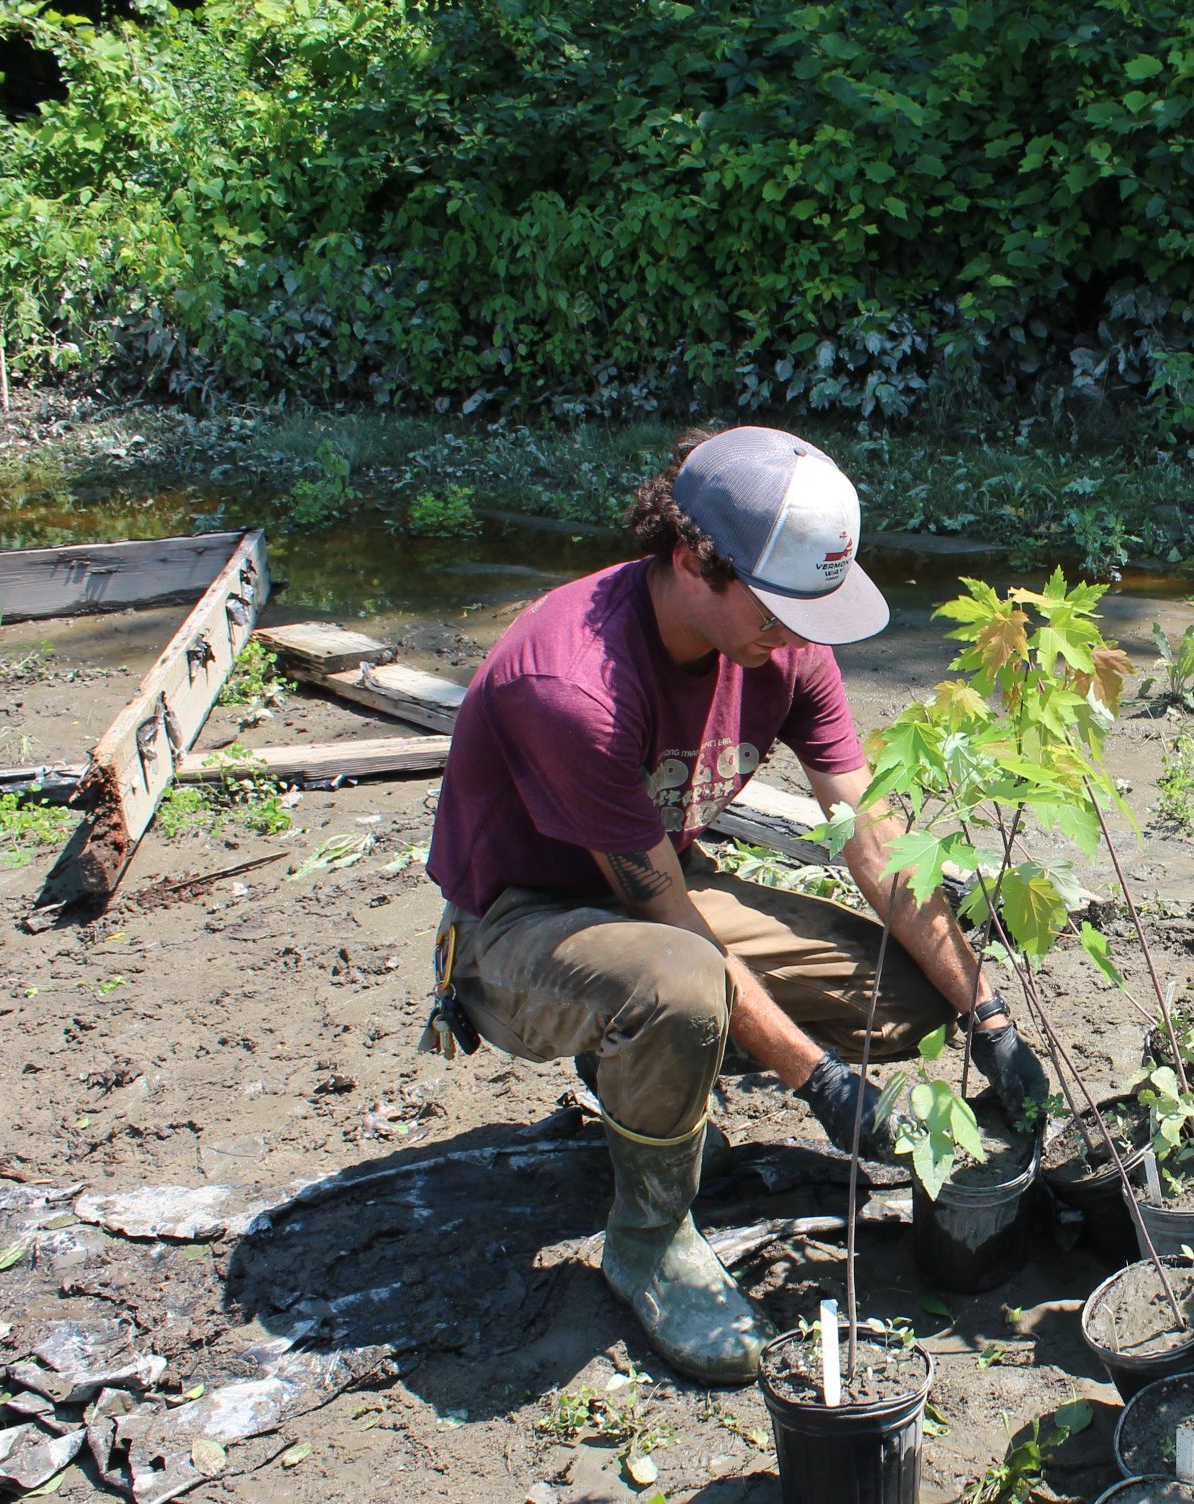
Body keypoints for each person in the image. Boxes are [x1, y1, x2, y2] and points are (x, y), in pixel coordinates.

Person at [425, 425, 1050, 1383]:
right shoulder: (577, 685)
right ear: (691, 561)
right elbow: (675, 927)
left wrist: (988, 1013)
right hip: (519, 925)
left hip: (662, 893)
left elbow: (874, 841)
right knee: (679, 988)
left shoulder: (783, 644)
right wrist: (822, 1084)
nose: (802, 631)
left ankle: (640, 1073)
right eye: (782, 608)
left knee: (909, 1001)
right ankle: (648, 1238)